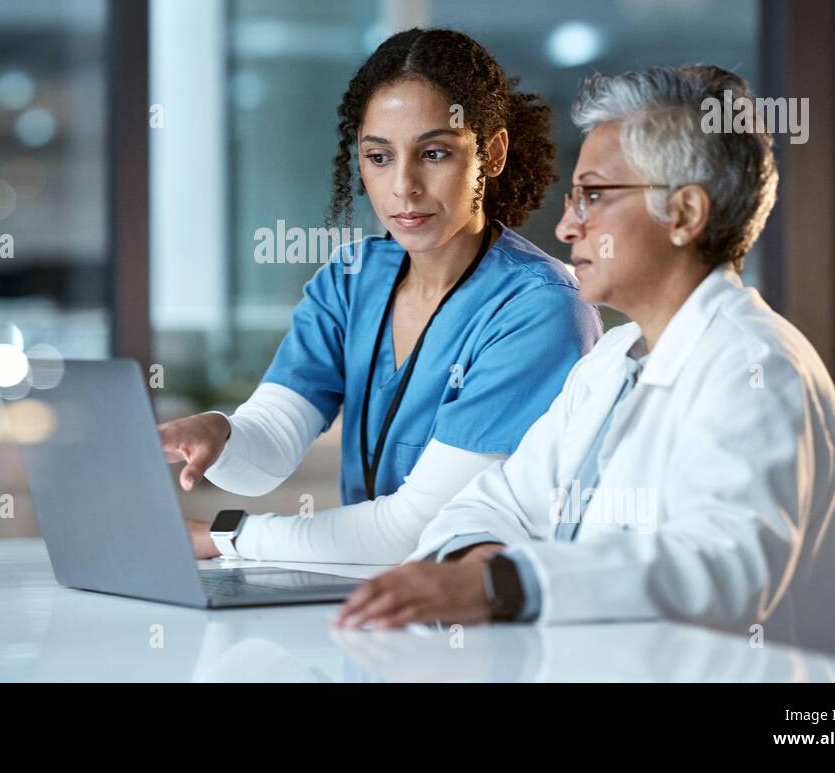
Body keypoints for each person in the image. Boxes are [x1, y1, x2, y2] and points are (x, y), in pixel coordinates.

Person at [335, 64, 835, 668]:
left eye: (594, 196)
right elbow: (488, 505)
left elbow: (730, 568)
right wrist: (482, 564)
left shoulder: (755, 364)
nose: (566, 224)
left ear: (684, 213)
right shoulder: (611, 361)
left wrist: (506, 583)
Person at [157, 28, 601, 564]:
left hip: (484, 622)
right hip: (368, 601)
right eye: (379, 157)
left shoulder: (540, 310)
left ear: (493, 152)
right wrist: (219, 435)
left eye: (434, 153)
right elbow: (271, 444)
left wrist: (226, 536)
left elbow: (419, 530)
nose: (404, 186)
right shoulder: (352, 278)